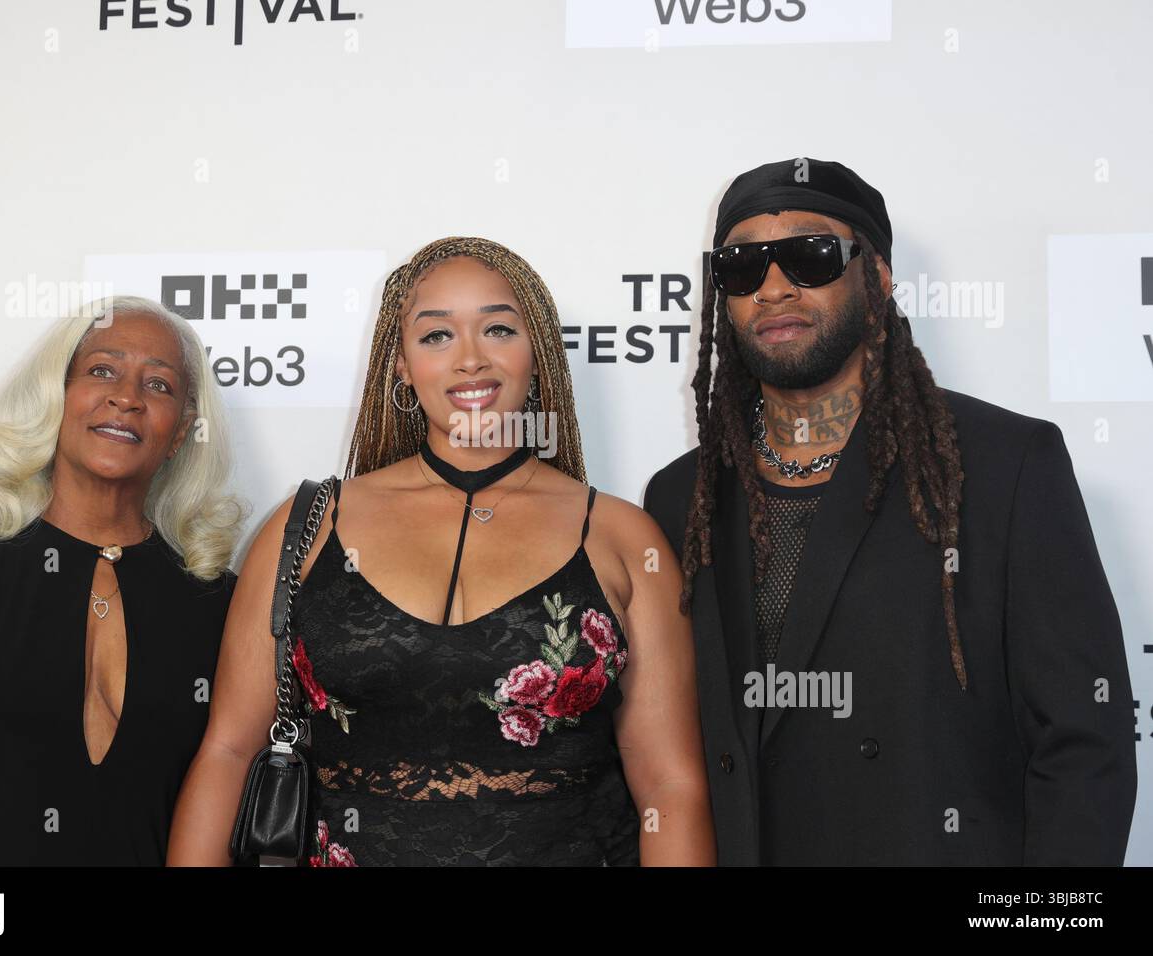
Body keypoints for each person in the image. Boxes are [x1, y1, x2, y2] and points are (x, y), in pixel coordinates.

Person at [644, 158, 1137, 865]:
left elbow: (1085, 740)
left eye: (810, 257)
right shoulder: (679, 496)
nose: (774, 287)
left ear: (875, 278)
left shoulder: (1002, 464)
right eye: (742, 268)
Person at [168, 236, 714, 866]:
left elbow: (670, 785)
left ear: (537, 351)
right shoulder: (306, 525)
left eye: (499, 329)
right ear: (400, 363)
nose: (471, 360)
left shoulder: (623, 539)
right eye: (436, 336)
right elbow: (229, 752)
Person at [0, 295, 245, 865]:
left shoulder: (215, 599)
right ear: (57, 394)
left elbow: (231, 818)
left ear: (184, 429)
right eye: (102, 370)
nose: (126, 397)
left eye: (158, 385)